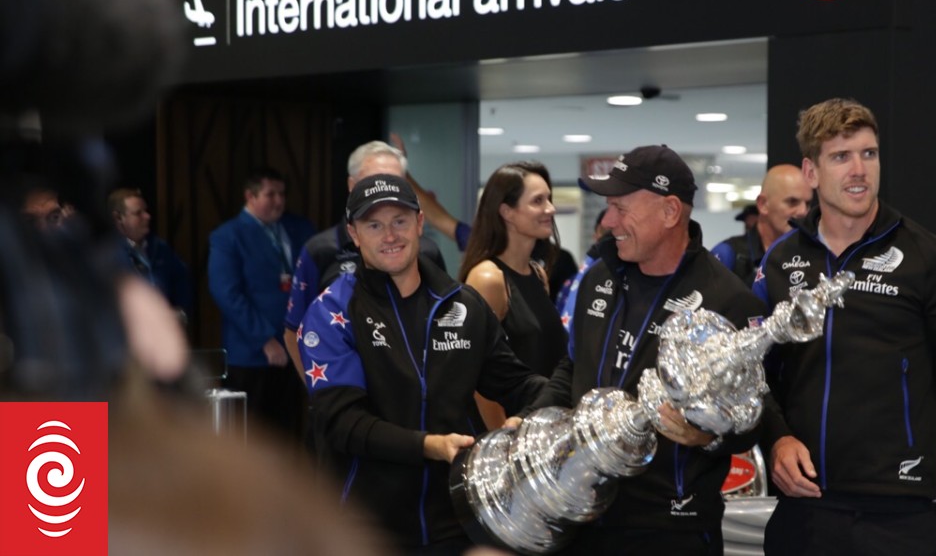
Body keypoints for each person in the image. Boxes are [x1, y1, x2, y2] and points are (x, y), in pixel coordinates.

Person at [753, 98, 936, 555]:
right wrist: (777, 438)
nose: (859, 169)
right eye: (841, 156)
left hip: (899, 521)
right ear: (811, 172)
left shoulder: (930, 259)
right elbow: (755, 377)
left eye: (868, 153)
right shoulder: (780, 262)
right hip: (803, 515)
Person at [524, 145, 767, 555]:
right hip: (582, 513)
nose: (609, 221)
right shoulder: (599, 278)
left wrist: (705, 436)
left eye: (621, 207)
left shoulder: (727, 301)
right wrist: (531, 423)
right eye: (608, 207)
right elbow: (574, 366)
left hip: (668, 529)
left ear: (671, 212)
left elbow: (753, 418)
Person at [298, 174, 547, 554]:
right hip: (367, 528)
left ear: (419, 223)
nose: (390, 235)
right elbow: (342, 424)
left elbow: (518, 384)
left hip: (459, 521)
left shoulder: (462, 304)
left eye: (399, 221)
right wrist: (430, 446)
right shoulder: (332, 311)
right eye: (374, 225)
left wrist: (531, 415)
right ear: (354, 234)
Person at [282, 140, 446, 379]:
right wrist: (321, 393)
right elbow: (294, 331)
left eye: (396, 181)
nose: (385, 190)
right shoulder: (320, 250)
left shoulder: (426, 251)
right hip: (345, 394)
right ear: (352, 185)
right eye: (374, 181)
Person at [458, 162, 569, 428]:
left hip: (545, 428)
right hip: (513, 437)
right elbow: (478, 379)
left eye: (549, 199)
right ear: (506, 211)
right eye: (538, 201)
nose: (550, 209)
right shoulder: (488, 278)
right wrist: (503, 441)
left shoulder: (538, 274)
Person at [208, 167, 315, 441]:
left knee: (286, 431)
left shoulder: (297, 227)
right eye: (270, 194)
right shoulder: (228, 236)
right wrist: (265, 339)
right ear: (250, 196)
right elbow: (227, 294)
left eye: (282, 194)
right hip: (252, 354)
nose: (279, 201)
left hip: (294, 348)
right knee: (253, 436)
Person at [711, 164, 811, 287]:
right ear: (763, 204)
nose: (803, 211)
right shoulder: (728, 255)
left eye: (807, 203)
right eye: (792, 202)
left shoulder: (814, 254)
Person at [109, 187, 193, 322]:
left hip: (163, 331)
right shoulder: (107, 255)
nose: (147, 216)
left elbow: (182, 280)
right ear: (118, 218)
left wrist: (181, 312)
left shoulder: (160, 248)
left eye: (146, 211)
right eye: (138, 213)